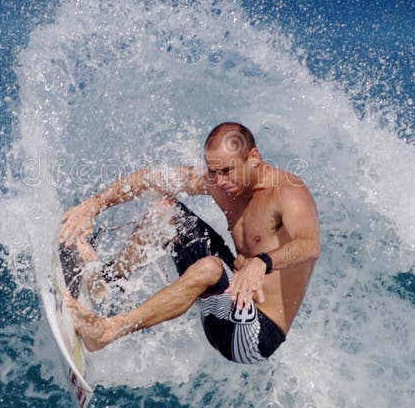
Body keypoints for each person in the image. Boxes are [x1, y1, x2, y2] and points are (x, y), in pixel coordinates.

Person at [58, 122, 320, 364]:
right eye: (213, 172)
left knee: (211, 268)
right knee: (165, 212)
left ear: (253, 158)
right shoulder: (223, 182)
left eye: (227, 171)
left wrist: (262, 263)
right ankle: (108, 282)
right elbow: (150, 179)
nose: (220, 182)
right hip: (226, 301)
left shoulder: (288, 192)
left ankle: (107, 331)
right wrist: (93, 205)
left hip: (255, 335)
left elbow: (309, 245)